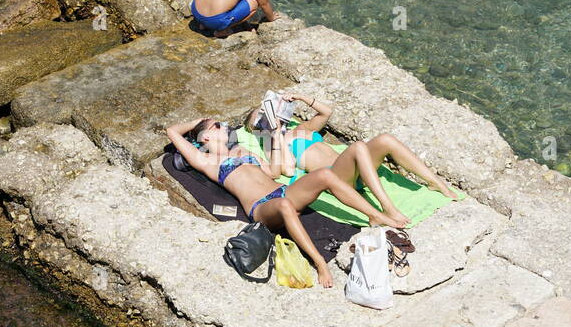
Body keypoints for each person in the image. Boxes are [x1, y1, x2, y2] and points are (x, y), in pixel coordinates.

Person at [166, 116, 403, 288]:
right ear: (205, 136)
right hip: (262, 207)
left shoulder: (242, 151)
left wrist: (276, 137)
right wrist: (200, 121)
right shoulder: (205, 160)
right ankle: (319, 262)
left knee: (325, 175)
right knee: (284, 206)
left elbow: (273, 171)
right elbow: (172, 131)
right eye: (217, 126)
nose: (224, 126)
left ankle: (376, 215)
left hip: (283, 190)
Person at [246, 91, 460, 228]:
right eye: (260, 118)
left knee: (385, 139)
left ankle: (436, 183)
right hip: (339, 179)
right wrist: (276, 133)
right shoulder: (273, 145)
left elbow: (326, 113)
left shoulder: (301, 129)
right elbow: (287, 171)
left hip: (358, 166)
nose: (266, 116)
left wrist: (301, 97)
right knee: (358, 147)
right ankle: (386, 208)